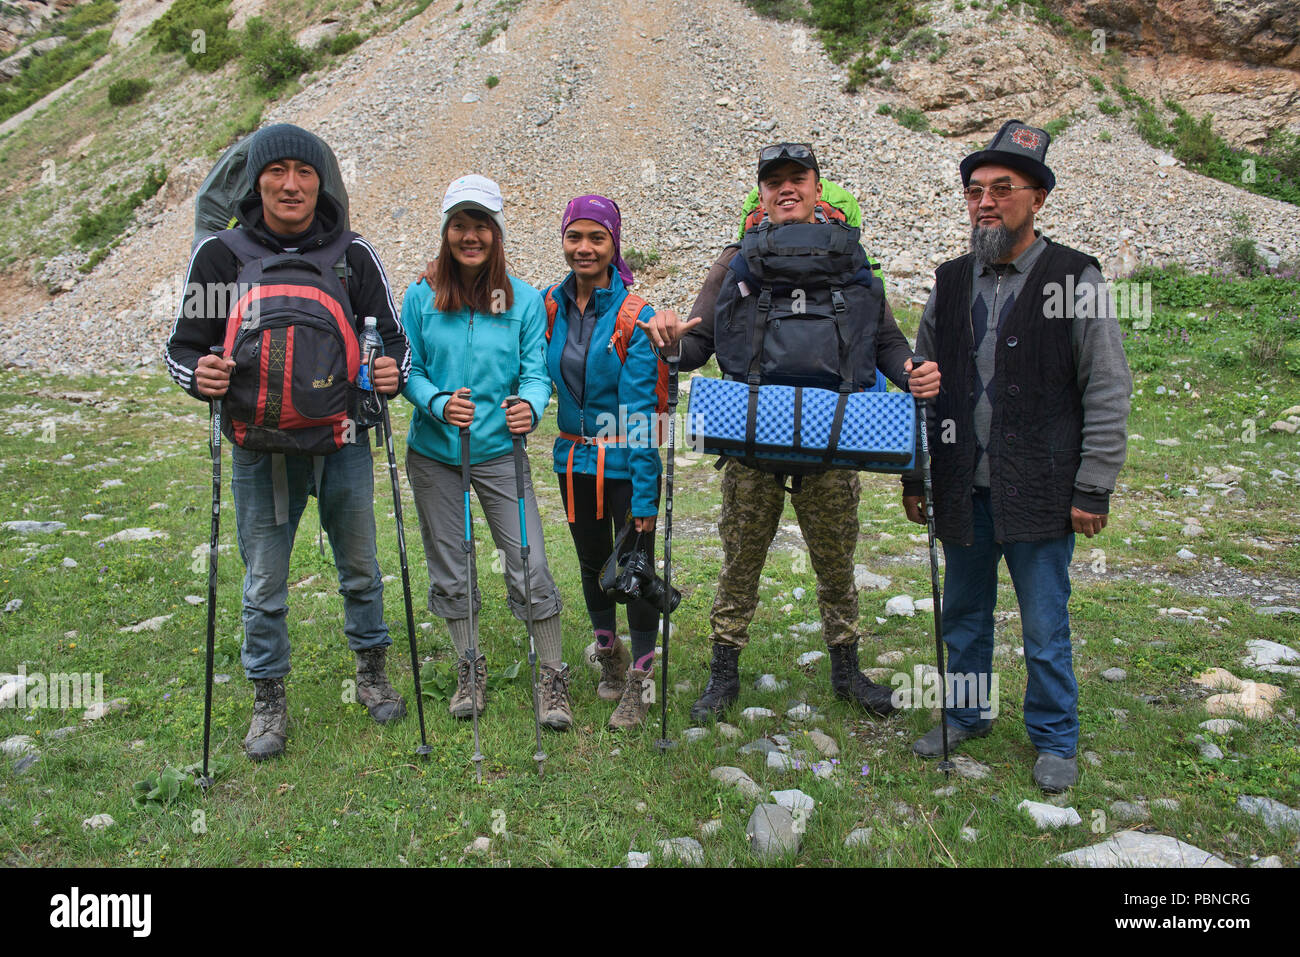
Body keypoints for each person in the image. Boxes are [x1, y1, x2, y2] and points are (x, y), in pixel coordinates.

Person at [640, 143, 940, 721]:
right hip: (753, 445)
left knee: (837, 561)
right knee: (740, 562)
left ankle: (847, 672)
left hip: (833, 442)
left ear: (817, 188)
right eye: (773, 180)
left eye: (797, 178)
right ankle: (723, 674)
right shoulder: (737, 261)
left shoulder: (851, 259)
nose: (786, 188)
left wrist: (911, 372)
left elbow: (884, 341)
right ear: (761, 194)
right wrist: (670, 341)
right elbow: (697, 345)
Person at [165, 122, 412, 761]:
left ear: (320, 183)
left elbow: (393, 340)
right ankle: (268, 697)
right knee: (264, 580)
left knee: (361, 567)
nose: (292, 184)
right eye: (277, 171)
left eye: (304, 172)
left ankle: (372, 671)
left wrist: (391, 372)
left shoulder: (353, 255)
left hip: (343, 436)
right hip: (260, 444)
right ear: (257, 181)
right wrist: (199, 376)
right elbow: (183, 348)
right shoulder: (220, 255)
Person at [901, 120, 1131, 793]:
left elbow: (1107, 386)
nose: (986, 202)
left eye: (1003, 189)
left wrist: (1094, 485)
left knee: (1044, 622)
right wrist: (916, 474)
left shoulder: (1075, 276)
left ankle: (1055, 736)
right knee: (963, 615)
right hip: (961, 486)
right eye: (975, 191)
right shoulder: (949, 281)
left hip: (1043, 487)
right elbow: (922, 384)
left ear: (1038, 198)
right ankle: (966, 713)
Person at [399, 175, 567, 728]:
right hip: (434, 454)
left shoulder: (522, 299)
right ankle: (469, 667)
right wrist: (437, 403)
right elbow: (410, 370)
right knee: (452, 567)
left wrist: (530, 407)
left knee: (529, 561)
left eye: (481, 225)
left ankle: (552, 675)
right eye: (459, 225)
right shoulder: (421, 295)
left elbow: (535, 373)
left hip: (499, 452)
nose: (470, 236)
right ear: (445, 231)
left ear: (496, 233)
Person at [543, 195, 664, 730]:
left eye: (597, 237)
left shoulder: (636, 315)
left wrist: (645, 495)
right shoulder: (550, 305)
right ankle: (608, 654)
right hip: (573, 461)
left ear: (614, 244)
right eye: (575, 236)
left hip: (623, 464)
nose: (584, 248)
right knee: (592, 563)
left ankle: (640, 678)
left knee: (635, 572)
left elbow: (642, 415)